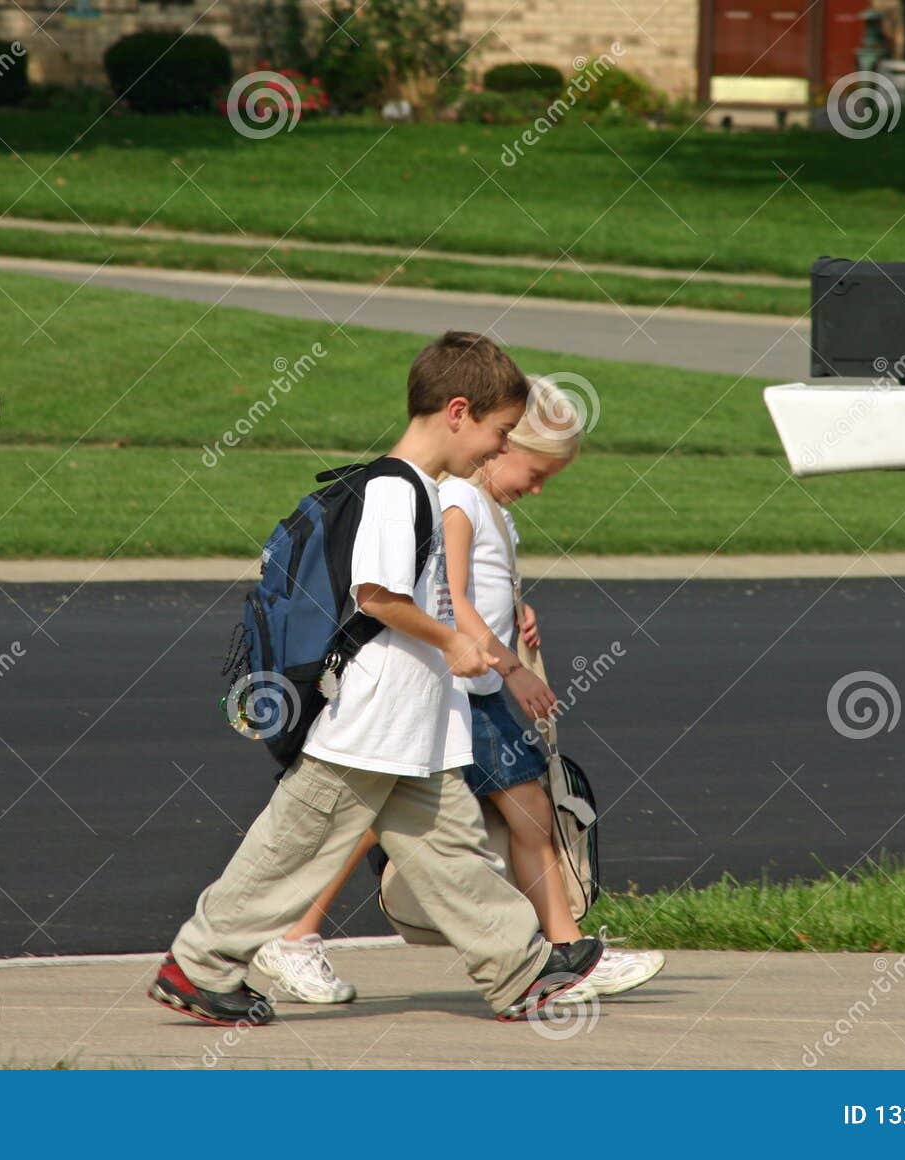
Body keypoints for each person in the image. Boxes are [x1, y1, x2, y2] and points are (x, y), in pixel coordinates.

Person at [151, 334, 603, 1027]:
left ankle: (519, 970)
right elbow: (378, 597)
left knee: (450, 852)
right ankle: (199, 966)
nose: (496, 448)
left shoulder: (422, 488)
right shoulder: (396, 489)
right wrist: (455, 640)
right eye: (499, 432)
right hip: (369, 725)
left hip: (411, 726)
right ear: (458, 411)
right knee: (290, 850)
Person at [256, 378, 664, 1005]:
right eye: (534, 470)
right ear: (499, 447)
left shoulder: (487, 506)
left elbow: (483, 593)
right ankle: (563, 951)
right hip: (463, 690)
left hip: (471, 685)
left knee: (400, 818)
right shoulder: (459, 502)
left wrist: (517, 617)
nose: (537, 487)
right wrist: (513, 668)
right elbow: (452, 598)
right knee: (517, 815)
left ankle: (298, 938)